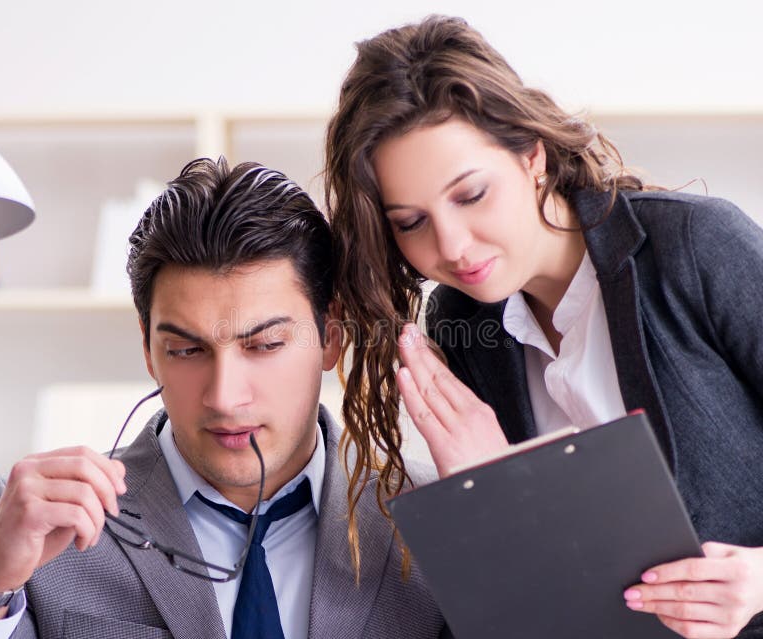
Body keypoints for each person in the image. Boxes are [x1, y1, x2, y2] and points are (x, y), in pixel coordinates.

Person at [324, 14, 763, 639]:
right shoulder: (463, 327)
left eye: (471, 195)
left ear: (532, 157)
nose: (451, 246)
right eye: (410, 222)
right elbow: (535, 606)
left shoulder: (693, 248)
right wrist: (493, 494)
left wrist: (758, 580)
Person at [0, 158, 450, 639]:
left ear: (331, 337)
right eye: (186, 349)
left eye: (264, 345)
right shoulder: (23, 528)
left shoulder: (435, 517)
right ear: (148, 348)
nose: (224, 397)